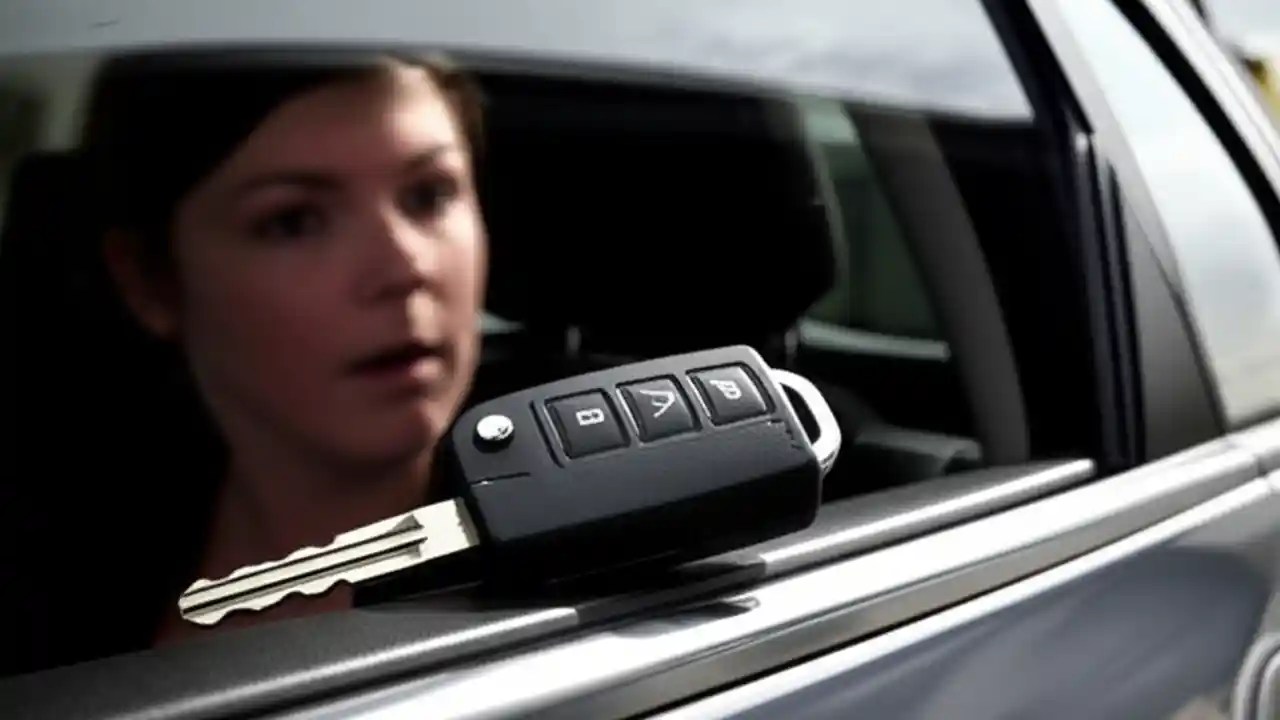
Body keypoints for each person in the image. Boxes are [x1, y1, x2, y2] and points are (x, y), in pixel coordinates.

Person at [79, 51, 488, 646]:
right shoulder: (52, 620)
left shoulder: (593, 539)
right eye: (293, 222)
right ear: (150, 281)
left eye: (428, 195)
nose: (403, 267)